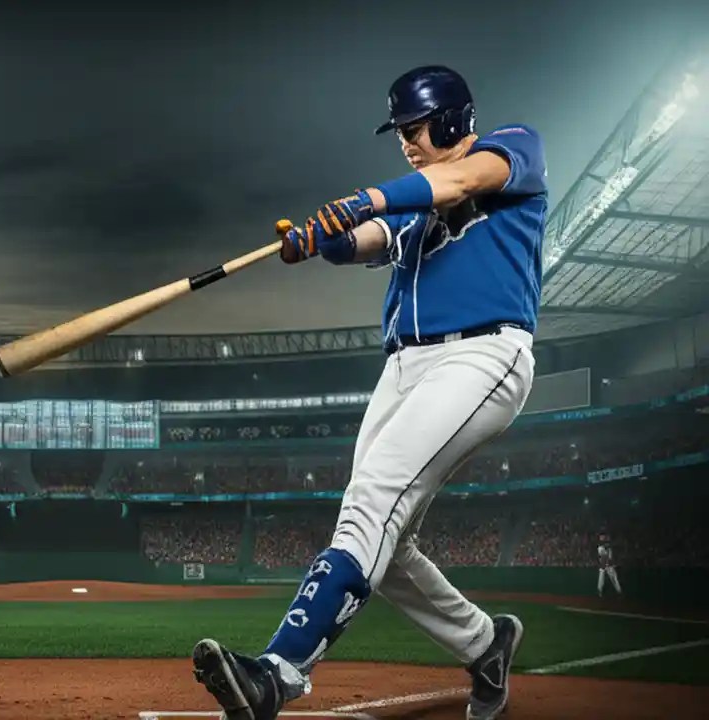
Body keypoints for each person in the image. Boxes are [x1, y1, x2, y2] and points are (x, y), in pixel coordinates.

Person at [192, 65, 547, 720]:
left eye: (414, 128)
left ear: (449, 121)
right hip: (405, 367)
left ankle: (279, 671)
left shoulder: (512, 148)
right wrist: (319, 239)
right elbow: (367, 240)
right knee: (389, 533)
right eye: (401, 132)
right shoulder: (412, 210)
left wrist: (365, 198)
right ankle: (484, 641)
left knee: (370, 500)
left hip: (482, 353)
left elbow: (460, 180)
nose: (407, 142)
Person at [597, 533, 622, 598]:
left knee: (614, 578)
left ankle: (619, 591)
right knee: (601, 579)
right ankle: (600, 592)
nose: (602, 538)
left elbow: (610, 556)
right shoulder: (600, 547)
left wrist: (612, 563)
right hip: (603, 565)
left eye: (603, 537)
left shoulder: (609, 546)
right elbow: (603, 557)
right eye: (601, 537)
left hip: (609, 565)